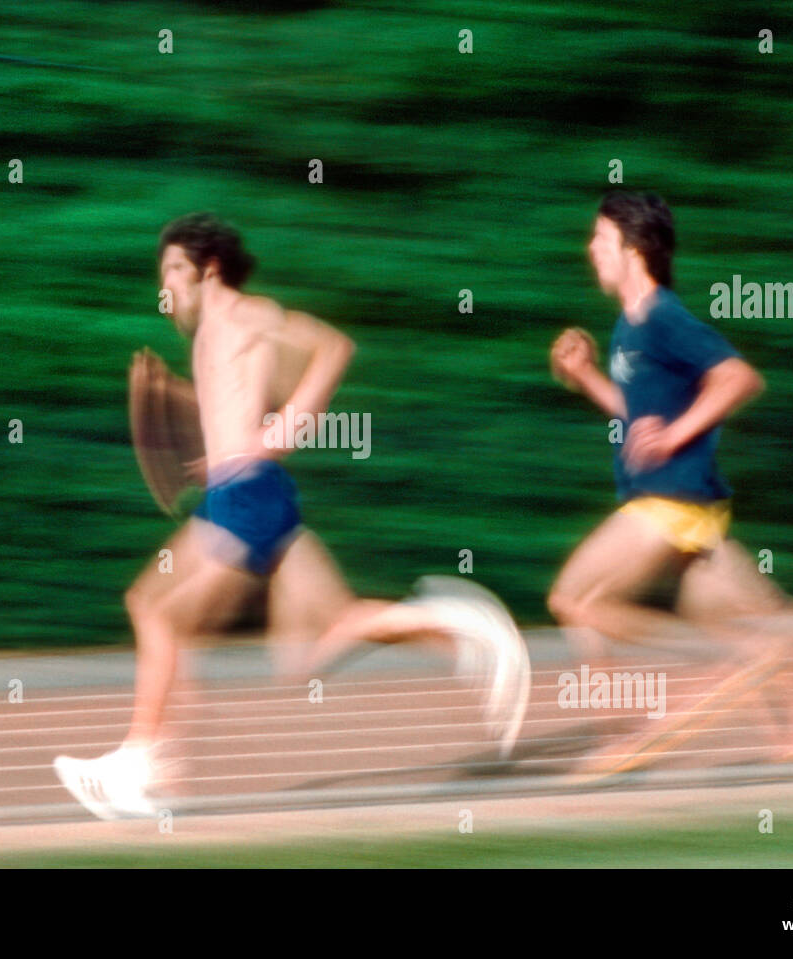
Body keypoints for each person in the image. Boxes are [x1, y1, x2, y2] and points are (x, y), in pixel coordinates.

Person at [54, 213, 529, 818]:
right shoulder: (208, 336)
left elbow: (334, 347)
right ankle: (465, 630)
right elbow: (227, 405)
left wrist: (289, 424)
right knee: (312, 648)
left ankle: (139, 761)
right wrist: (173, 398)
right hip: (251, 491)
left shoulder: (246, 315)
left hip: (248, 495)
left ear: (210, 268)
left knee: (151, 606)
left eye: (174, 269)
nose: (165, 286)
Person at [548, 192, 793, 773]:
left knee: (575, 600)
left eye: (601, 240)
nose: (590, 250)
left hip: (669, 502)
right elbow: (637, 415)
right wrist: (585, 379)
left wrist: (675, 437)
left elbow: (739, 378)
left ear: (634, 250)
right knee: (730, 616)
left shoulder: (662, 317)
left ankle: (623, 733)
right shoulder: (630, 325)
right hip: (685, 504)